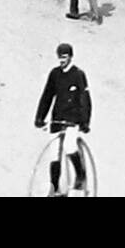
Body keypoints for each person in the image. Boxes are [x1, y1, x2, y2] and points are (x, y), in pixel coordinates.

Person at [34, 43, 92, 196]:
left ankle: (80, 175)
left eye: (64, 57)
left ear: (70, 57)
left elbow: (85, 99)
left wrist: (85, 122)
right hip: (57, 120)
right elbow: (47, 95)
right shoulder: (55, 74)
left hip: (72, 121)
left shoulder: (78, 74)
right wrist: (40, 117)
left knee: (70, 145)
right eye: (59, 57)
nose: (61, 61)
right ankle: (55, 187)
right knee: (54, 155)